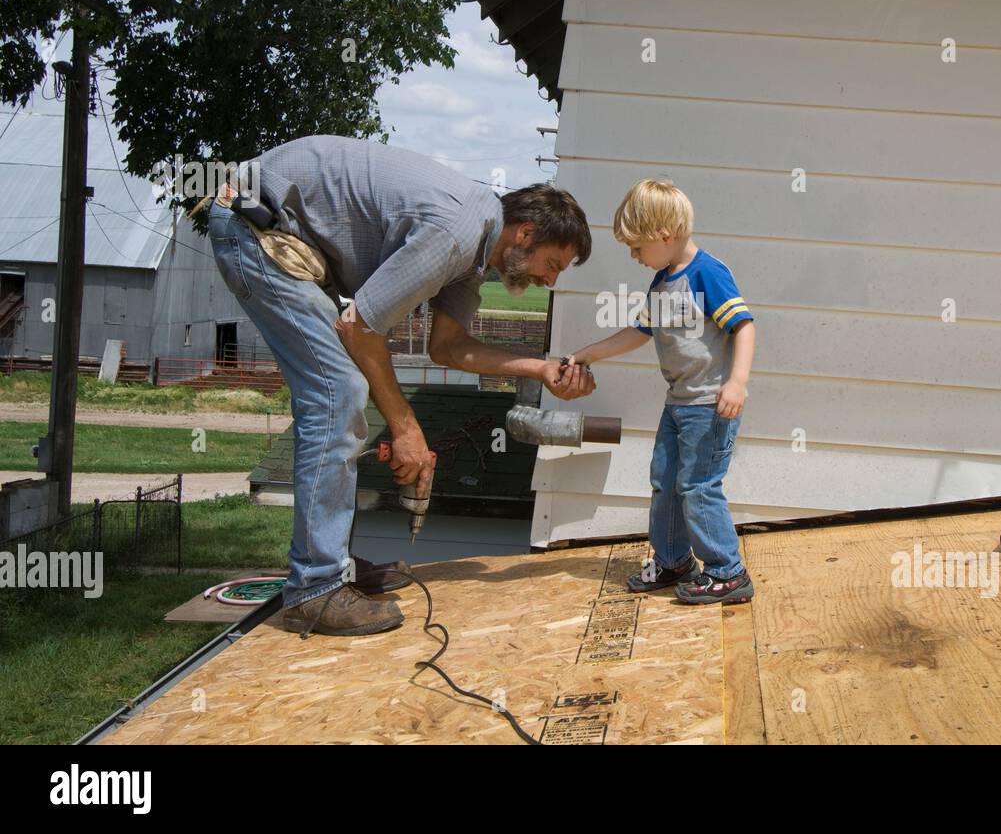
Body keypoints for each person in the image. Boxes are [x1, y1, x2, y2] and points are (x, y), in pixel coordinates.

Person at [205, 135, 595, 635]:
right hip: (254, 224)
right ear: (524, 235)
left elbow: (448, 349)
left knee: (342, 390)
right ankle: (315, 589)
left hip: (283, 229)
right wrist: (406, 429)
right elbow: (361, 327)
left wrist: (540, 368)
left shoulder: (474, 253)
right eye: (553, 265)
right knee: (338, 392)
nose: (551, 280)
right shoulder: (456, 233)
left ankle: (332, 568)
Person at [564, 178, 756, 605]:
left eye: (636, 247)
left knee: (699, 486)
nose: (634, 256)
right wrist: (588, 354)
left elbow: (743, 326)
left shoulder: (708, 273)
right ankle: (674, 561)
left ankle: (728, 572)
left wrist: (736, 382)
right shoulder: (661, 282)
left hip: (710, 407)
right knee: (666, 482)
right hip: (678, 406)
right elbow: (638, 332)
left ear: (664, 236)